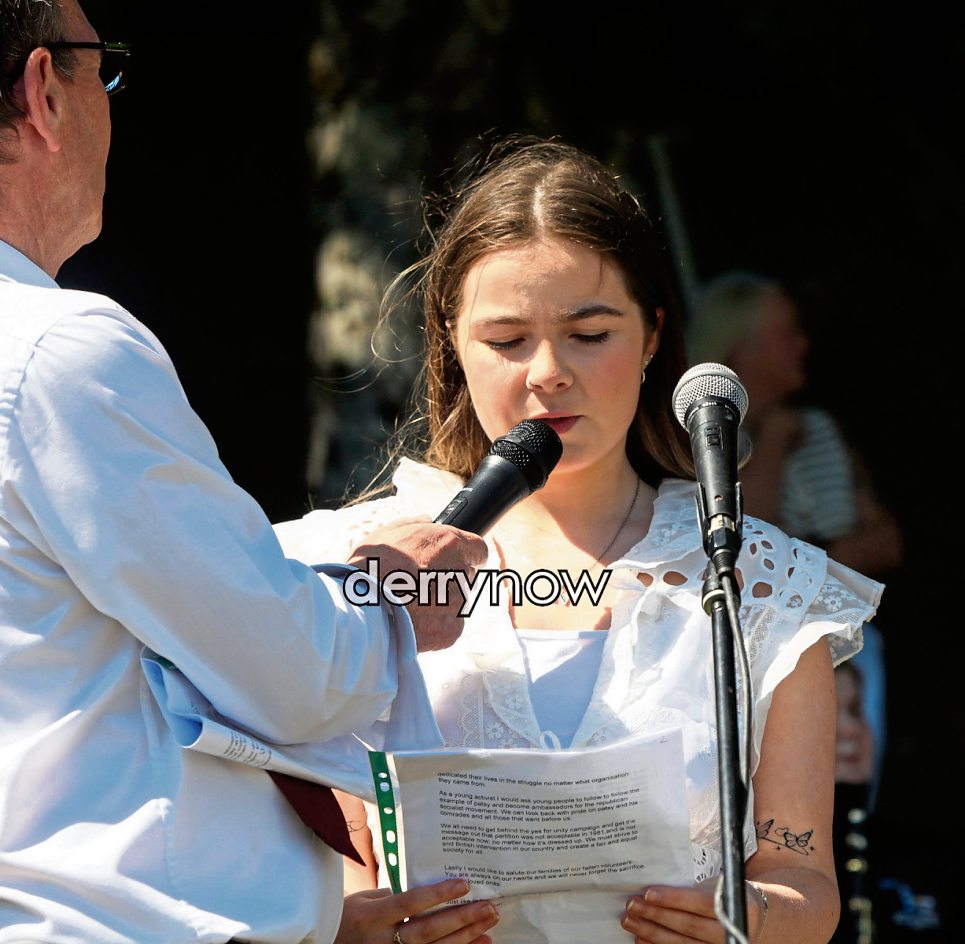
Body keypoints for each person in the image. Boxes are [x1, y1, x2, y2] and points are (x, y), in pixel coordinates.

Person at [274, 136, 884, 944]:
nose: (548, 372)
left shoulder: (759, 580)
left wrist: (748, 916)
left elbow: (801, 876)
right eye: (506, 339)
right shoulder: (339, 563)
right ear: (450, 341)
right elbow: (271, 836)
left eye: (590, 333)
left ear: (652, 337)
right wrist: (348, 923)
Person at [0, 3, 495, 942]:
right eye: (101, 69)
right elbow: (285, 669)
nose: (113, 104)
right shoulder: (56, 349)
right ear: (42, 92)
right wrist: (386, 595)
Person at [686, 270, 903, 809]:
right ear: (744, 346)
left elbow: (887, 542)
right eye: (788, 333)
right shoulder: (696, 448)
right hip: (763, 653)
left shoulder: (821, 430)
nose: (803, 345)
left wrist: (802, 560)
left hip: (853, 646)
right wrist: (775, 444)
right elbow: (743, 547)